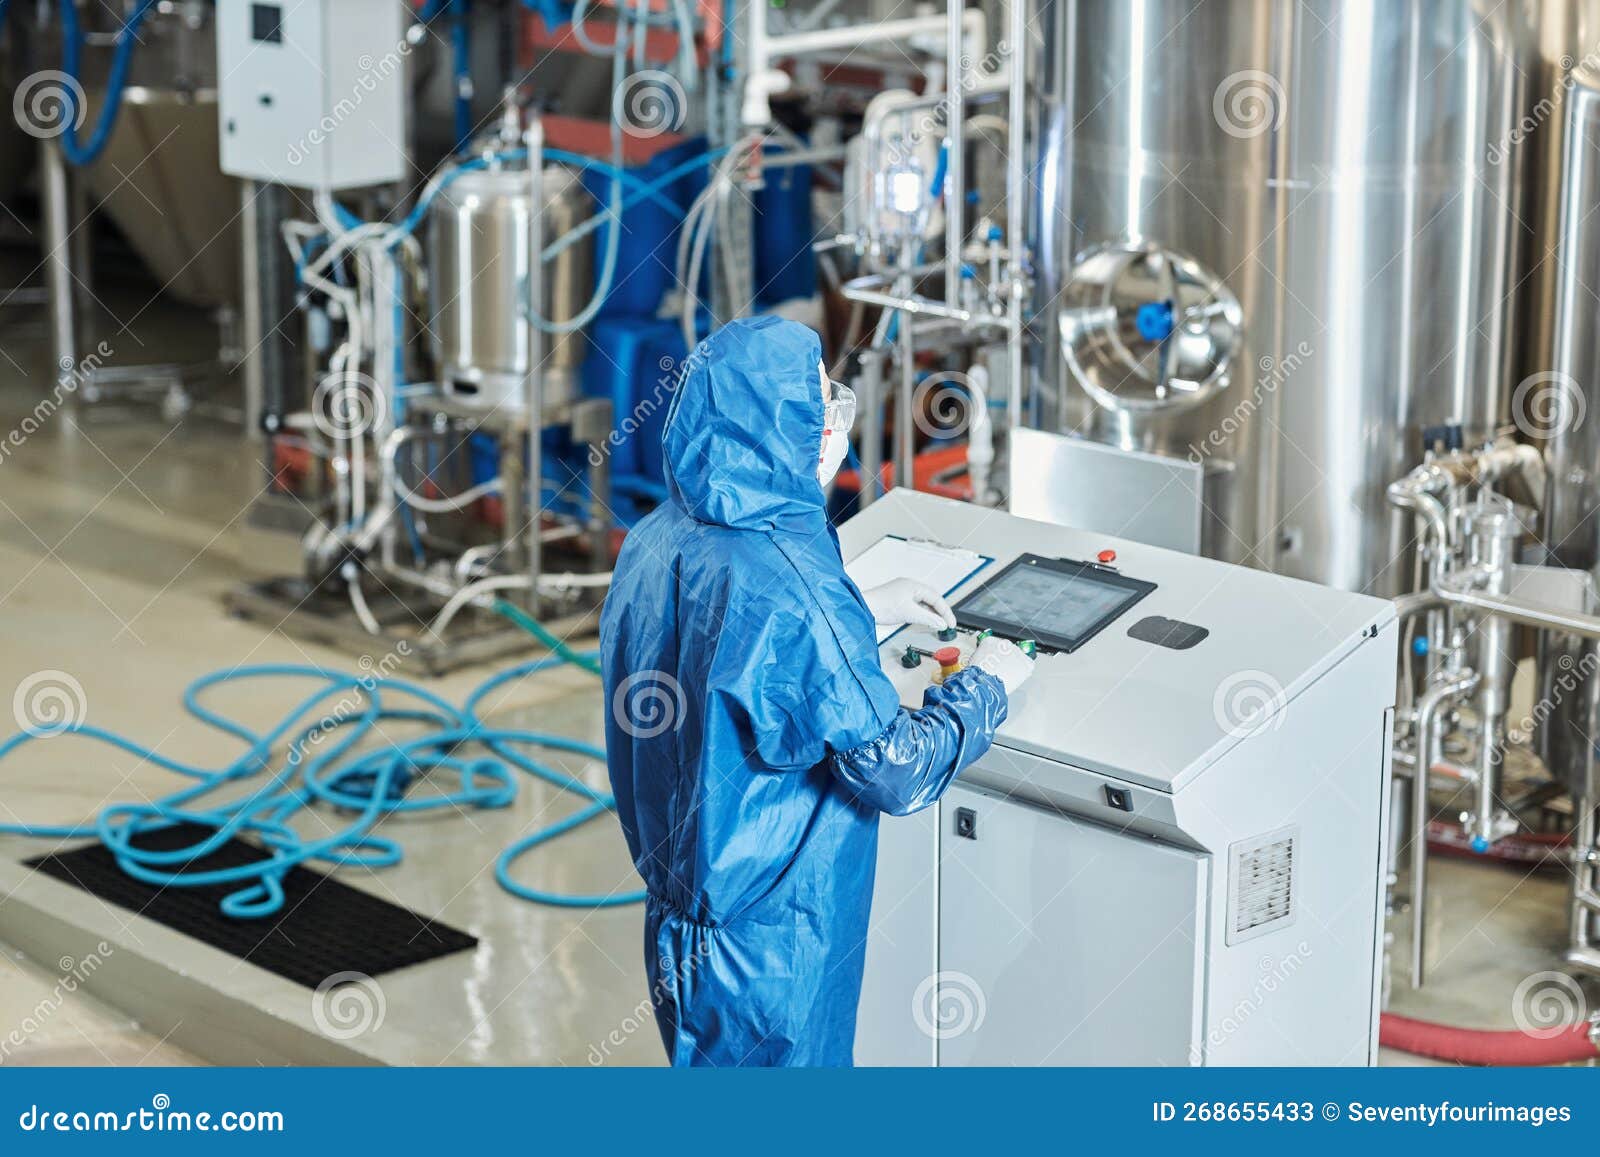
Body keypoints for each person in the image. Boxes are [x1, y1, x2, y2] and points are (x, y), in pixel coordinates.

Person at [599, 316, 1035, 1067]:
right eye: (818, 402)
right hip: (774, 941)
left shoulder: (657, 537)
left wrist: (856, 605)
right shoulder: (797, 589)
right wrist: (987, 686)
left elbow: (723, 654)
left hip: (680, 922)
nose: (833, 419)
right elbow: (895, 768)